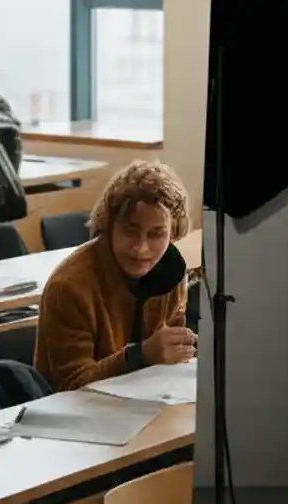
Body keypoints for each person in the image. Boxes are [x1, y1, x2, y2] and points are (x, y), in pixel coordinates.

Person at [33, 160, 196, 391]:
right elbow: (72, 385)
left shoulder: (171, 271)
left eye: (156, 234)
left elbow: (172, 361)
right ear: (109, 224)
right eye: (130, 231)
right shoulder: (70, 286)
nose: (141, 248)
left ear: (173, 233)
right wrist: (140, 355)